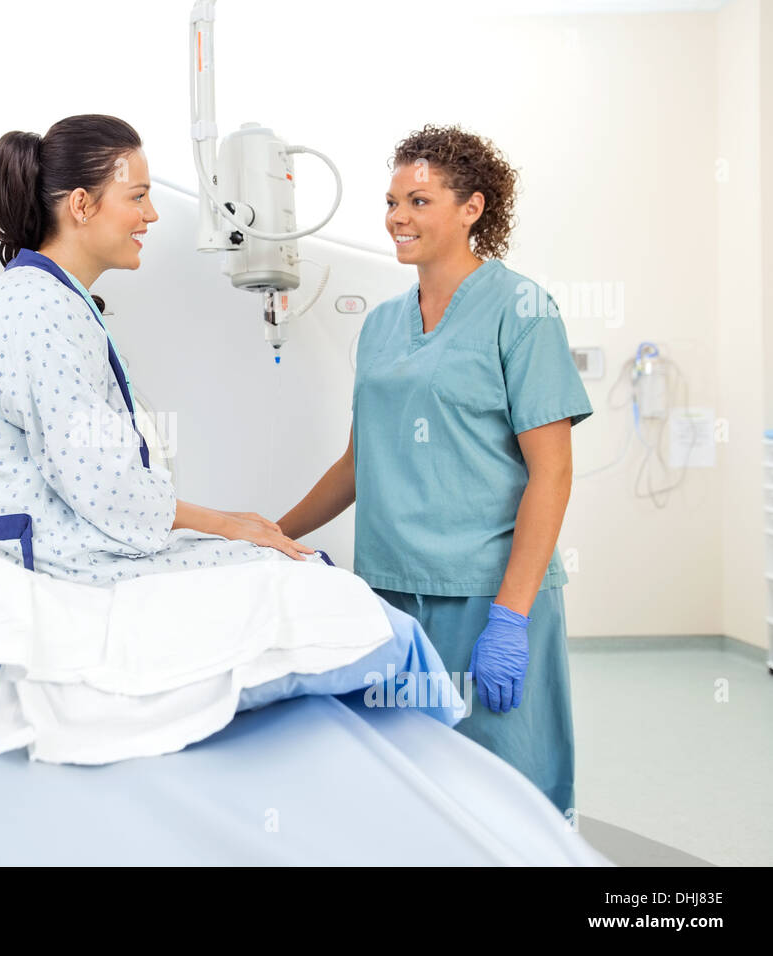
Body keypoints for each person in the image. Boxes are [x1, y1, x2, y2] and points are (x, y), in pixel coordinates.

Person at [278, 124, 593, 814]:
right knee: (415, 793)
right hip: (392, 592)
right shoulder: (383, 324)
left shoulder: (522, 310)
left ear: (472, 209)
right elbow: (360, 463)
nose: (397, 218)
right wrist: (271, 533)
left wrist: (509, 618)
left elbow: (553, 473)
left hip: (488, 594)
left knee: (511, 798)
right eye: (391, 202)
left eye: (418, 201)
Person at [0, 114, 316, 585]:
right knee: (291, 572)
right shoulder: (37, 309)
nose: (151, 214)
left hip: (55, 542)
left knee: (270, 559)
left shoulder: (49, 299)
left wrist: (227, 524)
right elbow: (101, 485)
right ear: (81, 205)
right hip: (45, 560)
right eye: (137, 196)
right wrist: (227, 524)